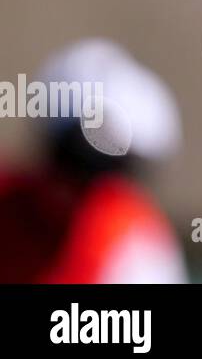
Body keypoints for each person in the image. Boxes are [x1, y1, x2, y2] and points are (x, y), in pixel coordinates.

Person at [0, 37, 187, 283]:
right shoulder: (8, 203)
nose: (76, 185)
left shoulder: (133, 243)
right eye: (75, 159)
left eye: (107, 169)